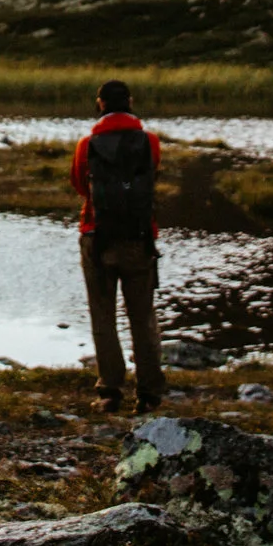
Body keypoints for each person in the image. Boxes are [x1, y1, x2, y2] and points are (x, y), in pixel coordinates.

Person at [71, 78, 165, 414]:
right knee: (142, 317)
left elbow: (81, 186)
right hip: (139, 238)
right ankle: (150, 394)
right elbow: (152, 179)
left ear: (100, 104)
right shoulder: (149, 141)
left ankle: (110, 391)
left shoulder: (87, 143)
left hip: (97, 237)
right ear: (130, 101)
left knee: (103, 316)